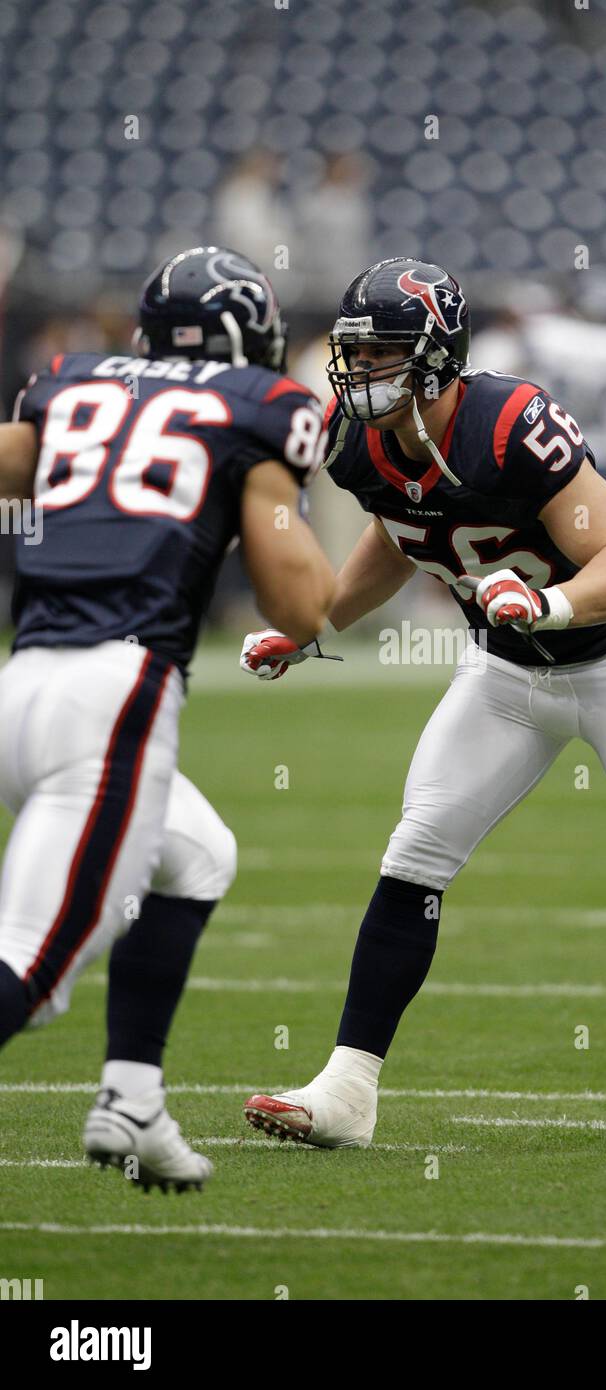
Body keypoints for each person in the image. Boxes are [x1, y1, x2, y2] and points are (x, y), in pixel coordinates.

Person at [240, 257, 606, 1151]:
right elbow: (402, 538)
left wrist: (550, 602)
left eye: (382, 355)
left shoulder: (510, 423)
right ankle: (349, 1090)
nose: (359, 374)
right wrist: (314, 621)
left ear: (438, 358)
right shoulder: (358, 442)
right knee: (415, 853)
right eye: (355, 355)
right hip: (508, 671)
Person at [0, 246, 333, 1190]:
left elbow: (13, 470)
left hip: (22, 685)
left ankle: (133, 1100)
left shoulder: (72, 381)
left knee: (198, 854)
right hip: (113, 701)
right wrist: (269, 503)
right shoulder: (256, 410)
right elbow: (301, 609)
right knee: (28, 970)